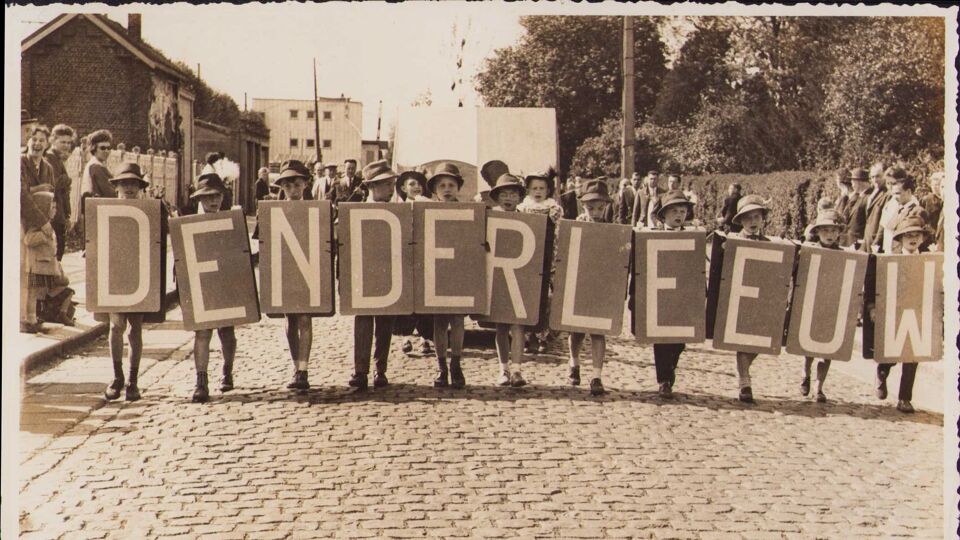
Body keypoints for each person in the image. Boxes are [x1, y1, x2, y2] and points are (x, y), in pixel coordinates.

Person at [347, 160, 400, 391]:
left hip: (388, 274)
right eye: (386, 184)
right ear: (371, 186)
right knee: (363, 321)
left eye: (392, 184)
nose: (391, 189)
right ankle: (360, 370)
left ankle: (381, 369)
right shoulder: (354, 211)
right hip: (362, 275)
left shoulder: (398, 212)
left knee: (385, 322)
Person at [102, 163, 153, 402]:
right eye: (124, 183)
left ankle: (133, 380)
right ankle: (117, 376)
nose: (129, 188)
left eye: (134, 183)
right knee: (115, 327)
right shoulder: (105, 212)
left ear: (140, 187)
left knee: (135, 329)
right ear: (117, 188)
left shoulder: (149, 211)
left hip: (139, 274)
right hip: (115, 276)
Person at [873, 208, 931, 413]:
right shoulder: (892, 260)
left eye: (917, 234)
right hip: (896, 313)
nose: (913, 238)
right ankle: (883, 369)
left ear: (923, 237)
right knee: (893, 354)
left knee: (912, 357)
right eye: (908, 235)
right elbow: (878, 286)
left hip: (918, 313)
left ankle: (904, 398)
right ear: (901, 239)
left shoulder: (930, 261)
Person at [188, 172, 239, 401]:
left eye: (217, 196)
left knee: (226, 332)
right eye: (208, 196)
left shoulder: (229, 222)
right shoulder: (189, 225)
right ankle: (201, 381)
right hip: (201, 284)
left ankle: (227, 369)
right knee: (202, 332)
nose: (213, 201)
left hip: (224, 283)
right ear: (199, 198)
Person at [568, 179, 615, 396]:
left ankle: (597, 375)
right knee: (576, 331)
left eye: (600, 207)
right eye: (590, 207)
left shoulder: (611, 230)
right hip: (579, 283)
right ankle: (574, 362)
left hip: (601, 286)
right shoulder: (576, 227)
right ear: (583, 206)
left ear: (606, 206)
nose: (595, 212)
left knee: (598, 332)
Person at [649, 190, 697, 398]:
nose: (679, 215)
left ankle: (670, 368)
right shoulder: (653, 237)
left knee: (679, 342)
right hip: (660, 295)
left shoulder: (693, 238)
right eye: (674, 211)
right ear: (663, 215)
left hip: (682, 295)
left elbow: (697, 269)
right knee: (661, 339)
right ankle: (664, 380)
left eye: (683, 211)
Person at [273, 160, 315, 392]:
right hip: (286, 270)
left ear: (305, 185)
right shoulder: (273, 212)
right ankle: (295, 364)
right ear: (282, 188)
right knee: (290, 320)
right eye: (288, 186)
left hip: (308, 268)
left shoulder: (316, 210)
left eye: (297, 184)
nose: (293, 190)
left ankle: (304, 368)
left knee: (305, 319)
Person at [726, 194, 773, 403]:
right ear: (741, 221)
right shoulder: (733, 242)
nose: (753, 222)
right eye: (748, 218)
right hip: (739, 298)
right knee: (742, 342)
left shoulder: (770, 244)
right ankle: (745, 381)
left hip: (759, 300)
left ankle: (742, 372)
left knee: (757, 343)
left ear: (763, 219)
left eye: (756, 217)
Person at [427, 162, 469, 389]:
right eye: (441, 185)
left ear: (458, 188)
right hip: (437, 271)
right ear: (434, 189)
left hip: (458, 271)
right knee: (440, 322)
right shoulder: (427, 212)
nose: (447, 189)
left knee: (458, 320)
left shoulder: (468, 212)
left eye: (451, 184)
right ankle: (441, 366)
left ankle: (456, 364)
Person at [799, 209, 846, 403]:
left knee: (827, 350)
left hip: (832, 306)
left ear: (838, 233)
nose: (829, 234)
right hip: (812, 303)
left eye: (833, 230)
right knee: (809, 347)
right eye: (825, 230)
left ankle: (819, 386)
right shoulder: (808, 251)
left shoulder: (845, 256)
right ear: (817, 232)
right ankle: (805, 372)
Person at [488, 173, 529, 386]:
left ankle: (517, 370)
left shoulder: (528, 220)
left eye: (513, 194)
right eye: (503, 194)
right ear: (497, 197)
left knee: (518, 325)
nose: (508, 198)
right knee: (501, 327)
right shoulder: (491, 218)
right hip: (498, 278)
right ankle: (503, 368)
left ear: (519, 198)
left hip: (519, 278)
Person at [517, 168, 562, 354]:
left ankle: (544, 335)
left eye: (541, 188)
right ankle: (528, 336)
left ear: (547, 190)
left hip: (547, 258)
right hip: (527, 257)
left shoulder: (554, 209)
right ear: (528, 189)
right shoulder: (522, 208)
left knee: (546, 298)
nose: (537, 191)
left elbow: (559, 233)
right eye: (534, 188)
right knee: (528, 296)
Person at [394, 169, 434, 357]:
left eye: (419, 184)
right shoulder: (398, 208)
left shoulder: (427, 205)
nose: (416, 187)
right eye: (412, 184)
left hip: (424, 256)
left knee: (424, 299)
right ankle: (406, 338)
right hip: (406, 256)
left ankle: (426, 339)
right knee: (407, 299)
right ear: (403, 188)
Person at [20, 190, 59, 334]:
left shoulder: (48, 225)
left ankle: (33, 319)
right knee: (32, 294)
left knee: (36, 294)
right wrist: (43, 235)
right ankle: (29, 320)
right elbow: (28, 240)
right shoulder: (39, 227)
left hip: (43, 265)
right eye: (52, 208)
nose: (55, 211)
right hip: (36, 266)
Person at [46, 124, 76, 260]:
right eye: (62, 142)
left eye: (69, 143)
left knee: (58, 254)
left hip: (60, 213)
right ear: (53, 140)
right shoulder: (50, 157)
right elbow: (54, 184)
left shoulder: (58, 158)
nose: (66, 146)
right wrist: (67, 179)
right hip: (53, 213)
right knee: (56, 254)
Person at [80, 129, 117, 218]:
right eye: (102, 148)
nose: (106, 151)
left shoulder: (94, 164)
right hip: (98, 213)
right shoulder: (96, 167)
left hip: (95, 210)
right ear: (94, 148)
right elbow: (110, 194)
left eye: (109, 148)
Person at [861, 162, 889, 253]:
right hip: (867, 240)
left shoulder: (887, 195)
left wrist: (876, 242)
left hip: (877, 243)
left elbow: (884, 223)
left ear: (884, 176)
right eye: (872, 177)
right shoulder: (871, 194)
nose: (875, 180)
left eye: (878, 176)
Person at [844, 168, 872, 248]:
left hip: (858, 242)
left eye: (853, 182)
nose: (852, 185)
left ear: (859, 182)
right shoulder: (859, 196)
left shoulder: (869, 197)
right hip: (851, 240)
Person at [921, 171, 943, 251]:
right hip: (930, 237)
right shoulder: (927, 200)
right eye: (933, 184)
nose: (935, 187)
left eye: (937, 184)